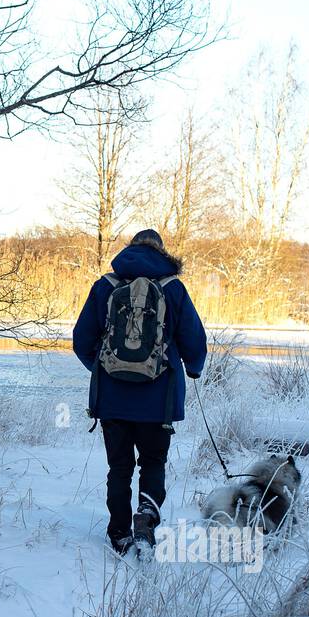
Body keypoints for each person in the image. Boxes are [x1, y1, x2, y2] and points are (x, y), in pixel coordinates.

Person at [72, 229, 208, 558]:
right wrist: (193, 367)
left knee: (119, 468)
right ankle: (146, 525)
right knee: (153, 464)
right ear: (161, 253)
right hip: (158, 402)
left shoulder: (106, 285)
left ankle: (119, 533)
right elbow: (194, 339)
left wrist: (104, 369)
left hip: (113, 401)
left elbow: (81, 339)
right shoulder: (173, 288)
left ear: (130, 249)